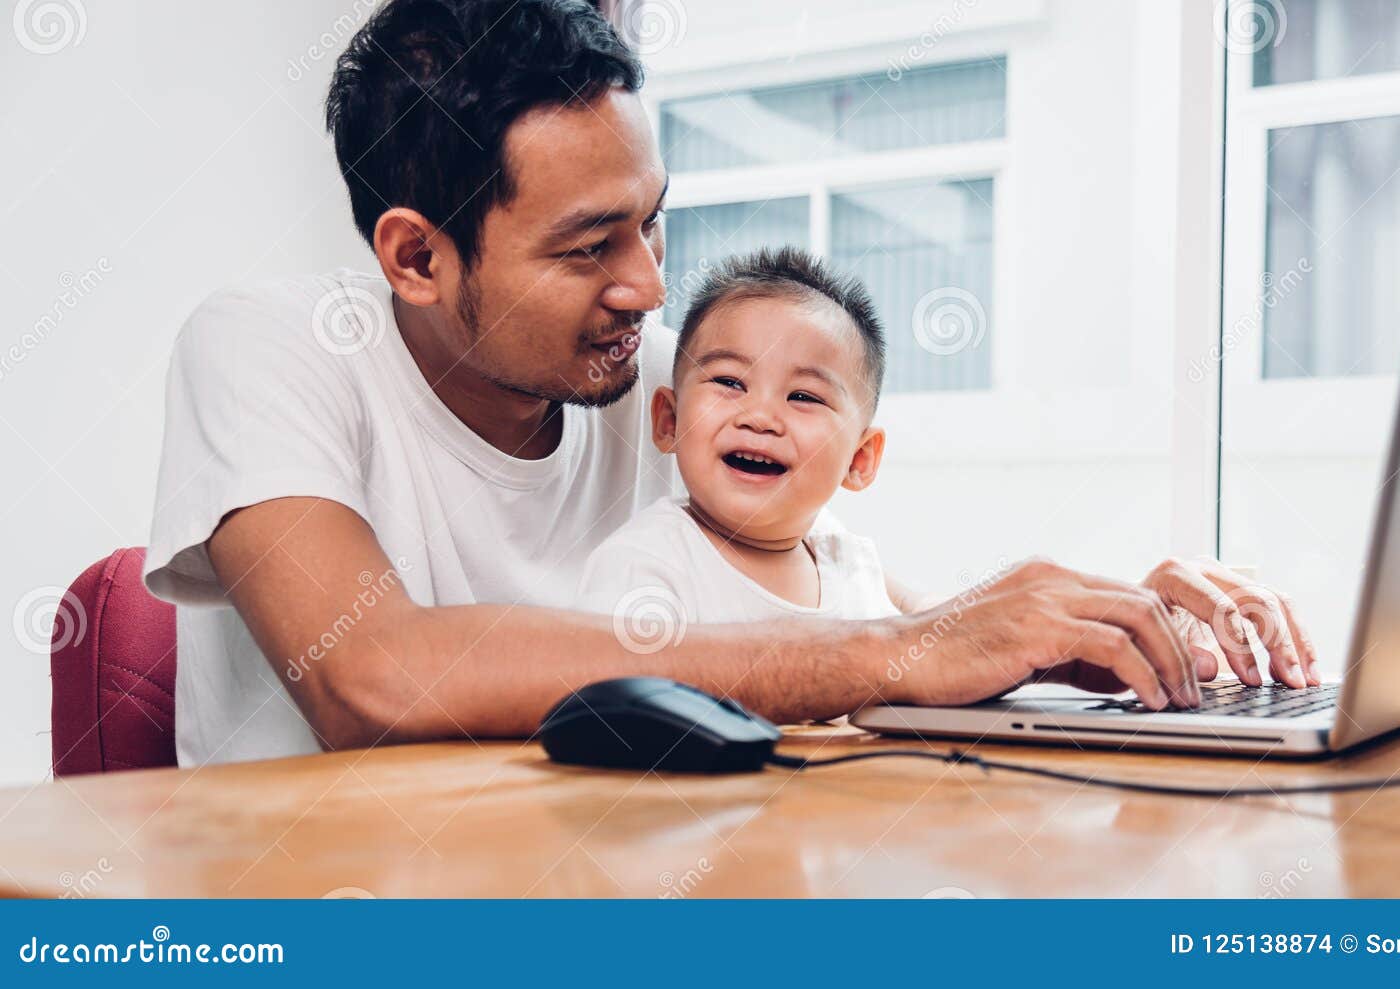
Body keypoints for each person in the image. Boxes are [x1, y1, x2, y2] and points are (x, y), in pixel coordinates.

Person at [143, 0, 1320, 767]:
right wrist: (889, 656)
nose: (650, 288)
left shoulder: (657, 385)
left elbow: (880, 614)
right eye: (588, 245)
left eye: (654, 224)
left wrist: (1068, 631)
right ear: (415, 257)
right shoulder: (265, 345)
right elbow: (373, 675)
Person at [576, 247, 900, 624]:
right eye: (729, 382)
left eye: (803, 396)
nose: (759, 418)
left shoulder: (852, 567)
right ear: (669, 421)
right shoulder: (644, 565)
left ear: (859, 461)